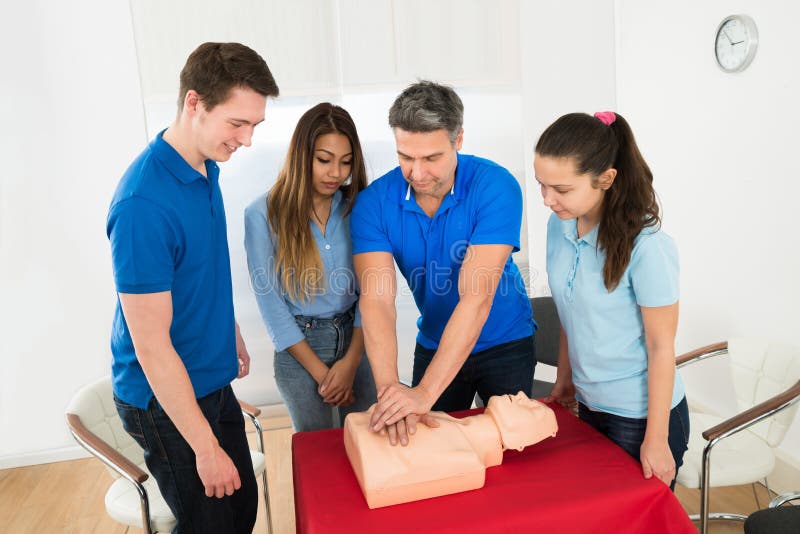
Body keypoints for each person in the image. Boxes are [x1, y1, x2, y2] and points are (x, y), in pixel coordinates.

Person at [106, 42, 279, 532]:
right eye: (236, 124)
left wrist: (230, 330)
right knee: (211, 526)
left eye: (254, 126)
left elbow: (199, 270)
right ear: (194, 103)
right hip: (164, 397)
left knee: (240, 511)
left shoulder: (205, 167)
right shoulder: (143, 204)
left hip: (208, 376)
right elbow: (152, 346)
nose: (246, 140)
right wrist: (204, 447)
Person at [350, 81, 535, 446]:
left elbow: (476, 297)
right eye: (406, 157)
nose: (417, 173)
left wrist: (423, 393)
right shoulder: (373, 204)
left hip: (505, 342)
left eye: (431, 158)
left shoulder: (495, 186)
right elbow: (376, 300)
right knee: (424, 447)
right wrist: (390, 392)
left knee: (511, 453)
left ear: (458, 140)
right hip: (434, 341)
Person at [534, 111, 689, 489]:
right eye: (542, 185)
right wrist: (565, 379)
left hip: (640, 417)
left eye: (562, 189)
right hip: (588, 405)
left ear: (606, 179)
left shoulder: (648, 248)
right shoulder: (560, 224)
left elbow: (660, 347)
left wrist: (656, 438)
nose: (548, 199)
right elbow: (571, 311)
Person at [245, 103, 377, 431]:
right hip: (299, 350)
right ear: (302, 155)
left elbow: (371, 289)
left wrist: (349, 363)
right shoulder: (262, 214)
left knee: (369, 442)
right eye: (324, 160)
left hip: (359, 338)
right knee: (318, 454)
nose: (336, 173)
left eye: (346, 162)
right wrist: (324, 376)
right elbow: (271, 306)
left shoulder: (359, 207)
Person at [344, 392, 557, 508]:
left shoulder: (465, 460)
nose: (521, 394)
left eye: (532, 408)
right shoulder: (446, 418)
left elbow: (386, 471)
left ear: (519, 441)